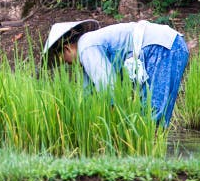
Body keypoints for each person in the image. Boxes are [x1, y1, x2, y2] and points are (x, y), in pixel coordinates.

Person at [43, 19, 189, 127]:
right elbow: (88, 95)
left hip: (163, 48)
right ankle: (150, 155)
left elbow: (110, 89)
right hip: (170, 45)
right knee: (149, 115)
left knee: (153, 113)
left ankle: (151, 158)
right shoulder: (87, 52)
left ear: (67, 49)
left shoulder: (87, 47)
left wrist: (115, 124)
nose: (65, 64)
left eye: (62, 60)